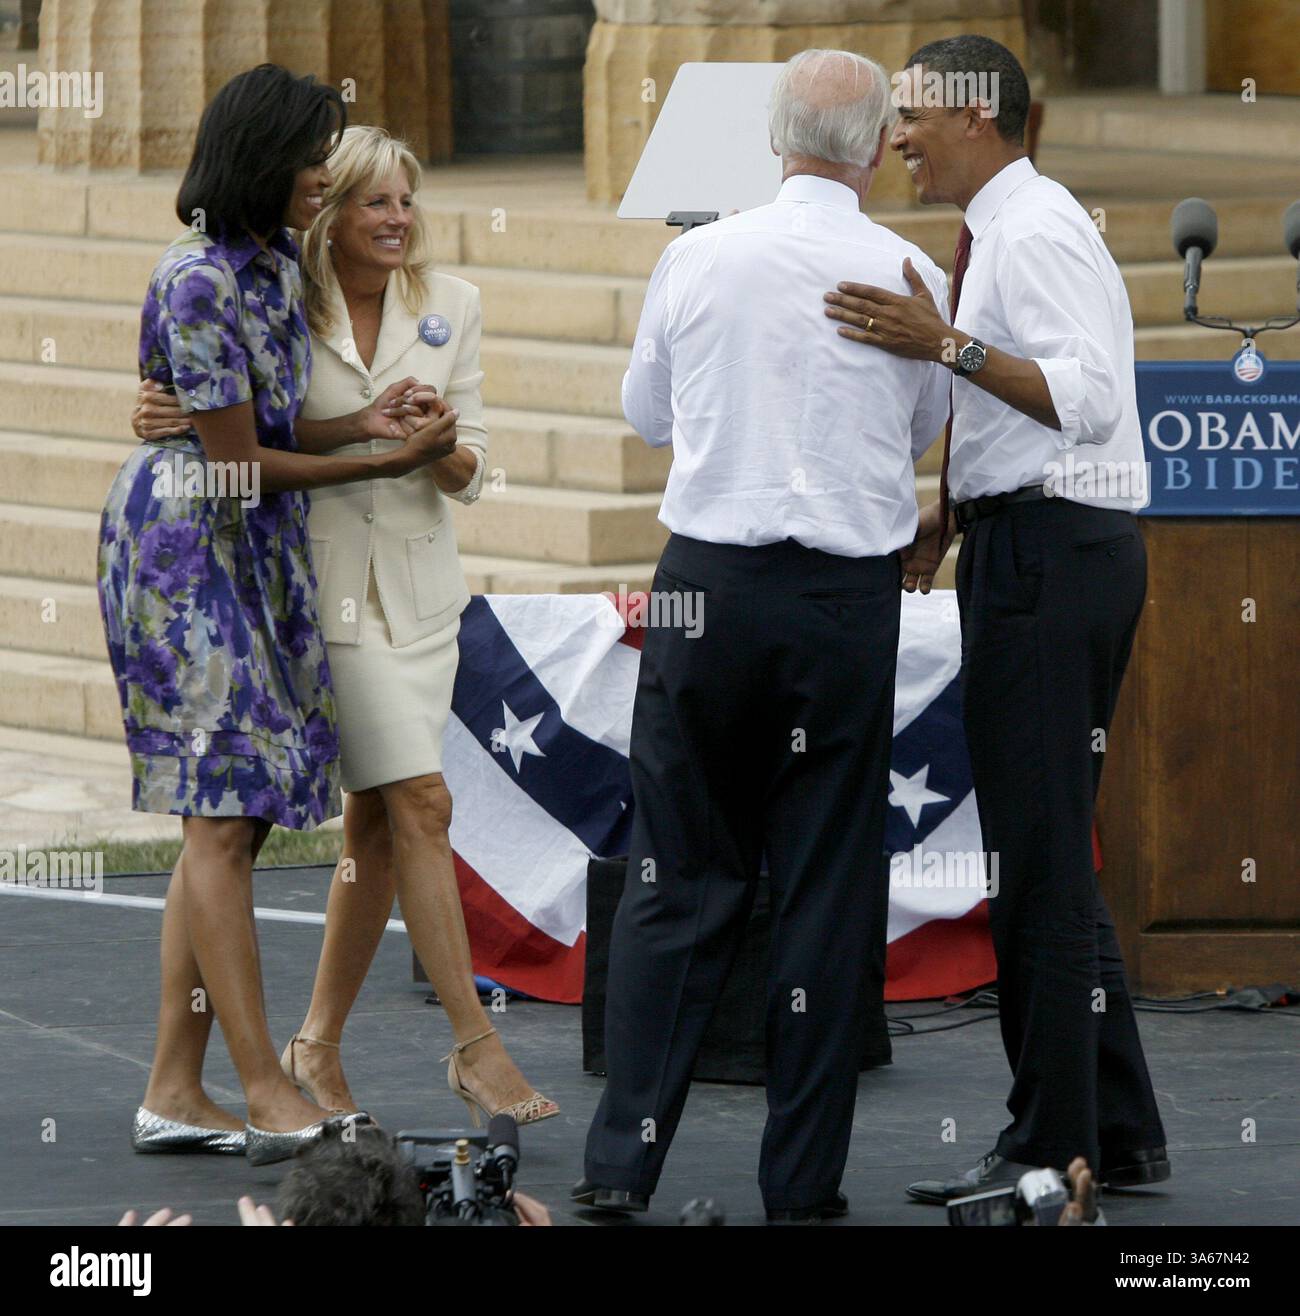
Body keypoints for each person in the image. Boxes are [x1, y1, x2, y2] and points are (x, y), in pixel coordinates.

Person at [574, 49, 950, 1223]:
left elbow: (645, 416)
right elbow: (932, 422)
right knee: (828, 889)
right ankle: (802, 1185)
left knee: (675, 879)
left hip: (706, 589)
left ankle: (618, 1164)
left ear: (771, 138)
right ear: (877, 142)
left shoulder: (699, 254)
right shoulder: (909, 267)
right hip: (840, 601)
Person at [132, 126, 557, 1129]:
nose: (397, 218)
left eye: (407, 201)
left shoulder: (455, 307)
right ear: (330, 213)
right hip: (315, 595)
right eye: (374, 201)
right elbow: (249, 423)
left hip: (419, 597)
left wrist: (433, 443)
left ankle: (307, 1048)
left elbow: (472, 468)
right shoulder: (283, 295)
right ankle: (475, 1043)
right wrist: (174, 413)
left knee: (357, 821)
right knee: (419, 800)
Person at [823, 34, 1168, 1201]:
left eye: (913, 113)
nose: (896, 136)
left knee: (1037, 864)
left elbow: (1088, 398)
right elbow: (1029, 410)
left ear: (977, 114)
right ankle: (1116, 1131)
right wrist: (954, 507)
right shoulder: (1005, 230)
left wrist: (941, 343)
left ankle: (1047, 1146)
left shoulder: (1036, 228)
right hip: (1028, 544)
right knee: (1045, 846)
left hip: (1057, 559)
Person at [102, 66, 460, 1167]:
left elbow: (268, 417)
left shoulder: (261, 267)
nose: (326, 177)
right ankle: (264, 1085)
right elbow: (234, 462)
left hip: (250, 549)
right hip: (186, 550)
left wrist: (362, 418)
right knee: (217, 817)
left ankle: (174, 1085)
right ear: (264, 156)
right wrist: (381, 460)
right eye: (315, 159)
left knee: (236, 818)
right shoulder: (198, 278)